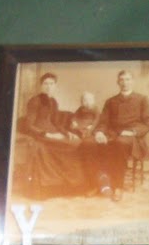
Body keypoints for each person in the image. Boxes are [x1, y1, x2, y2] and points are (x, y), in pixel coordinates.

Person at [12, 71, 93, 200]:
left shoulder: (53, 102)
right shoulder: (35, 101)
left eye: (51, 83)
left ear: (55, 86)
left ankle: (73, 185)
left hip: (52, 132)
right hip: (40, 133)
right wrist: (48, 134)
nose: (48, 86)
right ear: (41, 86)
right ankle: (55, 186)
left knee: (75, 142)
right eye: (45, 83)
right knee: (69, 145)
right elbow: (29, 125)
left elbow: (55, 122)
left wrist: (68, 133)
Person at [92, 68, 149, 190]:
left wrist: (133, 131)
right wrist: (99, 132)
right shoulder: (111, 101)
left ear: (133, 82)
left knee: (119, 144)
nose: (125, 82)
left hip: (134, 139)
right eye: (122, 80)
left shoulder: (142, 99)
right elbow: (103, 121)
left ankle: (117, 186)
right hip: (113, 134)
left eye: (128, 79)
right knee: (90, 143)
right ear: (118, 82)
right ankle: (98, 184)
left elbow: (148, 122)